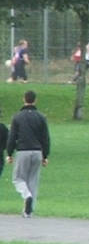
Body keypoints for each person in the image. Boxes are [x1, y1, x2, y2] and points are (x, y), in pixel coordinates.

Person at [6, 90, 50, 218]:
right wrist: (45, 155)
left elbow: (12, 137)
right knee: (33, 180)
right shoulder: (41, 117)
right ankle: (28, 211)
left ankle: (27, 196)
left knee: (18, 178)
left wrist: (9, 153)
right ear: (35, 100)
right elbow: (45, 138)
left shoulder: (17, 117)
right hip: (37, 152)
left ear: (23, 99)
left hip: (23, 151)